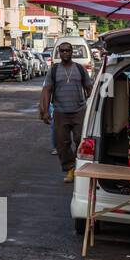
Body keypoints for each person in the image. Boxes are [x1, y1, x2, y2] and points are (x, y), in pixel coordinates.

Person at [39, 42, 93, 183]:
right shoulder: (54, 70)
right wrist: (45, 111)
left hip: (78, 111)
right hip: (60, 112)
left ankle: (79, 168)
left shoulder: (80, 69)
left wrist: (92, 107)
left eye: (67, 50)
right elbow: (47, 90)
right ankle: (70, 169)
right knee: (62, 143)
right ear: (59, 53)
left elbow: (89, 88)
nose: (65, 53)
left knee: (80, 141)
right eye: (62, 51)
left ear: (72, 52)